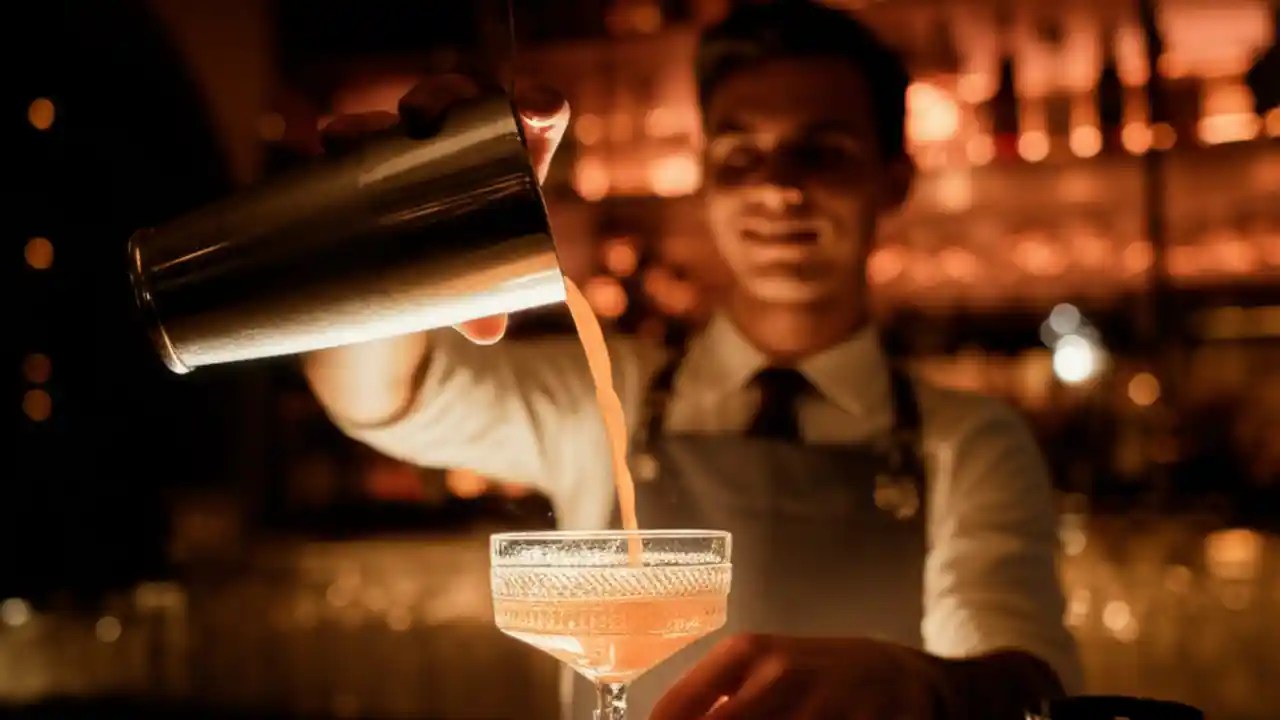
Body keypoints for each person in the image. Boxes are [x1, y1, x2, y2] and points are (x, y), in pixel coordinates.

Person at [304, 1, 1081, 717]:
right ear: (706, 180)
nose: (778, 190)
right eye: (742, 156)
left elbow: (1035, 684)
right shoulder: (607, 398)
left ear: (894, 182)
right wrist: (389, 250)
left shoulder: (969, 445)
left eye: (824, 154)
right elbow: (383, 399)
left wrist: (928, 688)